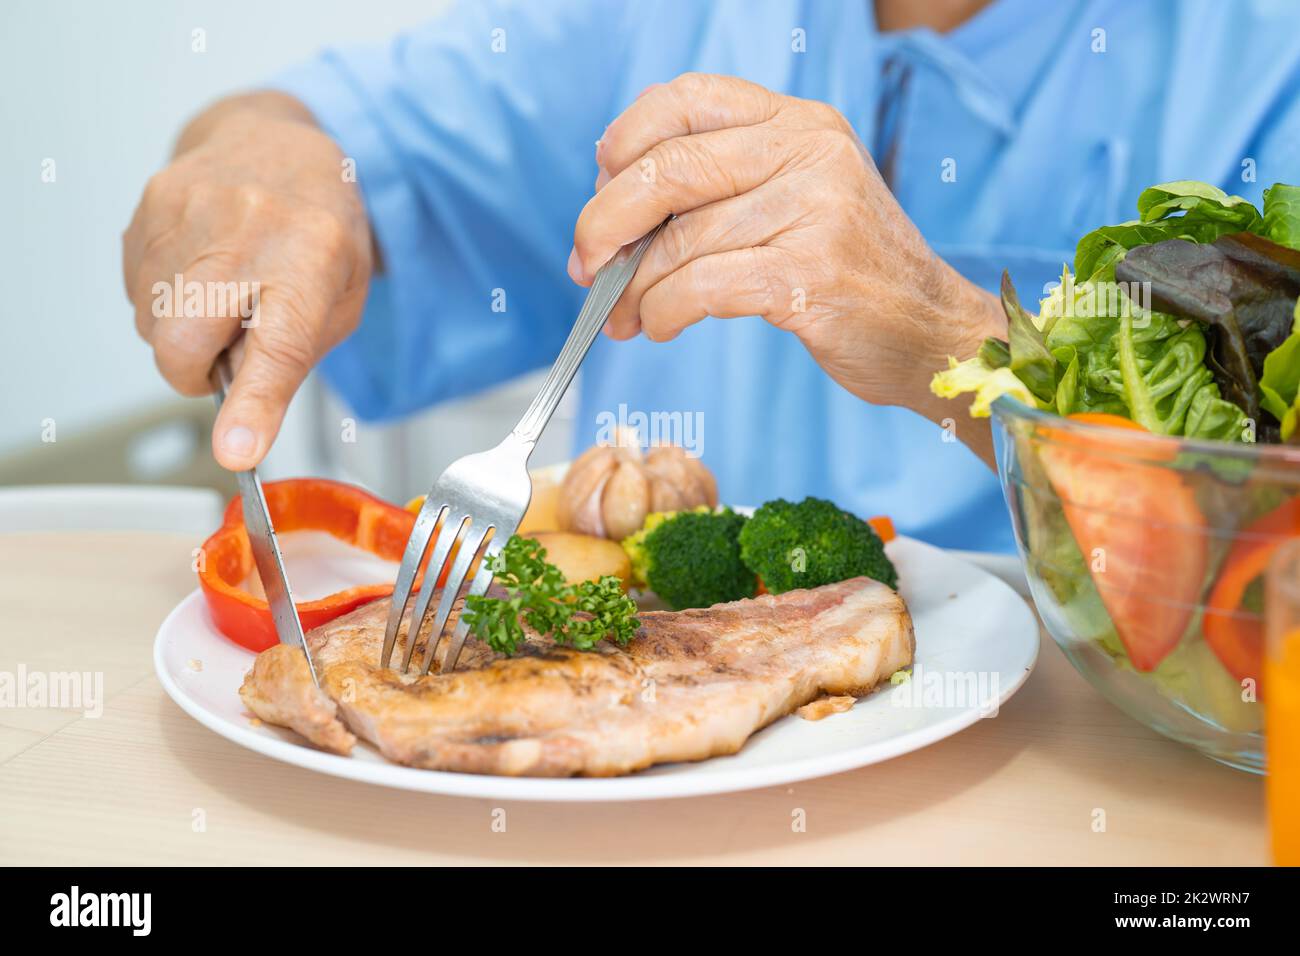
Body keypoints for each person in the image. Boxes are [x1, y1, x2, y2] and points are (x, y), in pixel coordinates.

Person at [122, 0, 1300, 552]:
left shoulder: (1262, 56)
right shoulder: (666, 18)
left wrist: (953, 333)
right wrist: (262, 165)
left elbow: (1263, 547)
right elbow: (327, 139)